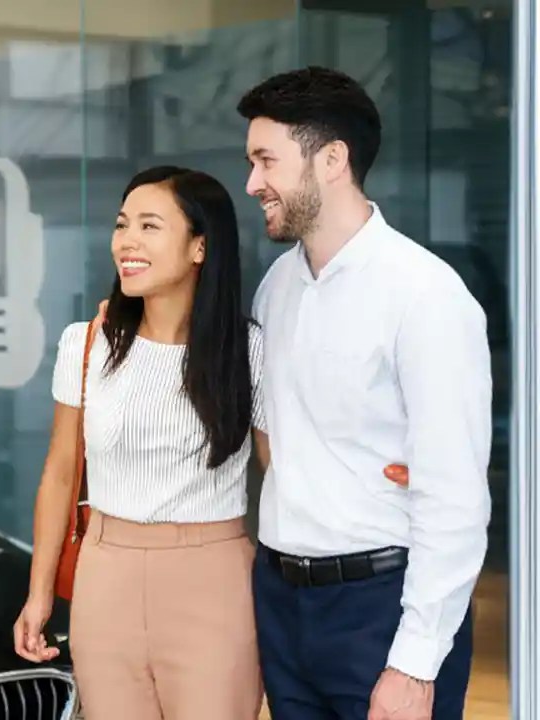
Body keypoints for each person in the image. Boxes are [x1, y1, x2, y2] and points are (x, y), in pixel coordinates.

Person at [238, 66, 492, 720]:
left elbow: (455, 496)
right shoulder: (276, 287)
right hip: (282, 597)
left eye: (267, 160)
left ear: (331, 159)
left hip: (380, 607)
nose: (252, 184)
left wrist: (414, 661)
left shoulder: (425, 295)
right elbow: (275, 437)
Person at [13, 166, 270, 719]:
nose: (127, 241)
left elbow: (283, 474)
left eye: (150, 226)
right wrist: (39, 595)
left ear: (200, 246)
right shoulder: (85, 344)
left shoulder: (249, 351)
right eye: (122, 224)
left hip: (213, 579)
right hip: (106, 576)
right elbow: (60, 473)